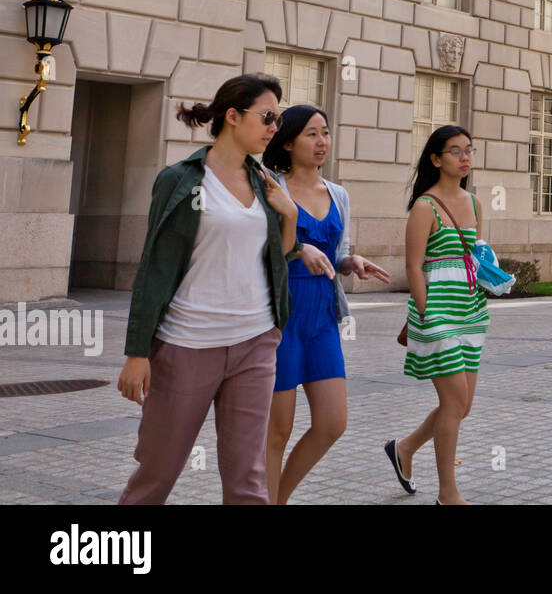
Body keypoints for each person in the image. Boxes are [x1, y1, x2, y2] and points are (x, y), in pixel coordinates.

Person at [117, 73, 298, 505]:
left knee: (248, 480)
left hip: (255, 342)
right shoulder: (180, 180)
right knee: (157, 472)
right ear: (233, 117)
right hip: (187, 344)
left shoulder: (265, 181)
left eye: (280, 117)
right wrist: (137, 352)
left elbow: (278, 255)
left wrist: (289, 215)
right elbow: (154, 267)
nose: (275, 127)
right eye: (268, 116)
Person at [262, 105, 391, 504]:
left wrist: (350, 261)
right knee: (276, 432)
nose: (322, 142)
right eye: (311, 134)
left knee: (332, 423)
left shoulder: (338, 194)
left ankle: (274, 499)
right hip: (280, 317)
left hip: (322, 320)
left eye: (325, 133)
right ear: (288, 142)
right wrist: (299, 250)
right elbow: (261, 250)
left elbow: (339, 250)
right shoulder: (270, 187)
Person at [384, 125, 487, 505]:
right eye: (455, 151)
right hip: (437, 314)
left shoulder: (475, 203)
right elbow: (413, 267)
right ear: (435, 159)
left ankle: (405, 449)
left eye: (469, 151)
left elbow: (475, 257)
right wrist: (425, 314)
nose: (464, 158)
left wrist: (492, 273)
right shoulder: (424, 206)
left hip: (471, 310)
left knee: (462, 406)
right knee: (454, 402)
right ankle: (448, 492)